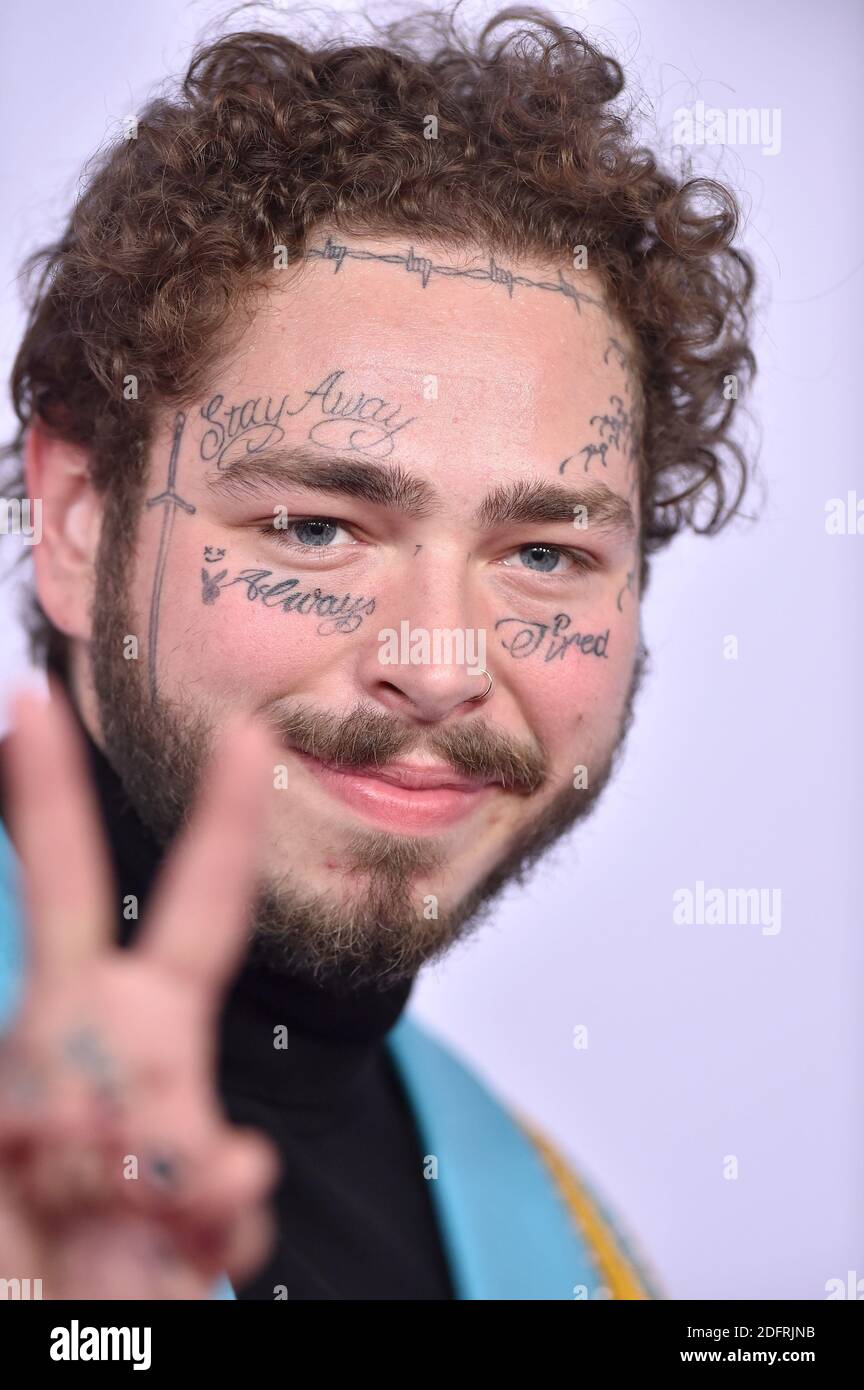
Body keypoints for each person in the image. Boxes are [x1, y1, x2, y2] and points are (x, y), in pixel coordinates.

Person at [0, 6, 755, 1300]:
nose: (440, 659)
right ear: (76, 519)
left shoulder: (578, 1249)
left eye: (544, 553)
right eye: (315, 526)